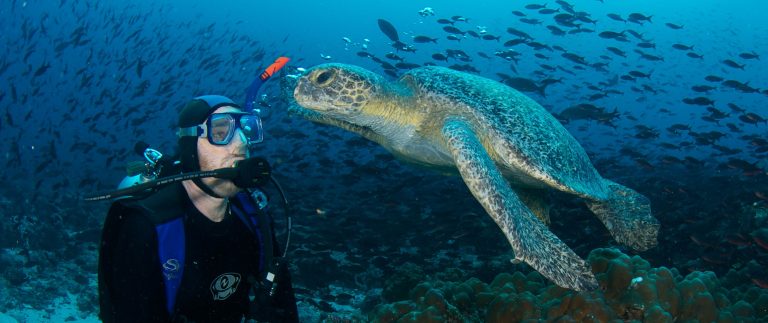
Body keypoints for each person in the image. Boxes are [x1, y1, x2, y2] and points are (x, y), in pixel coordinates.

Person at [97, 95, 299, 322]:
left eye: (247, 131)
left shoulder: (254, 216)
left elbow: (283, 304)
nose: (242, 143)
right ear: (190, 145)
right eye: (221, 132)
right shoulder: (148, 226)